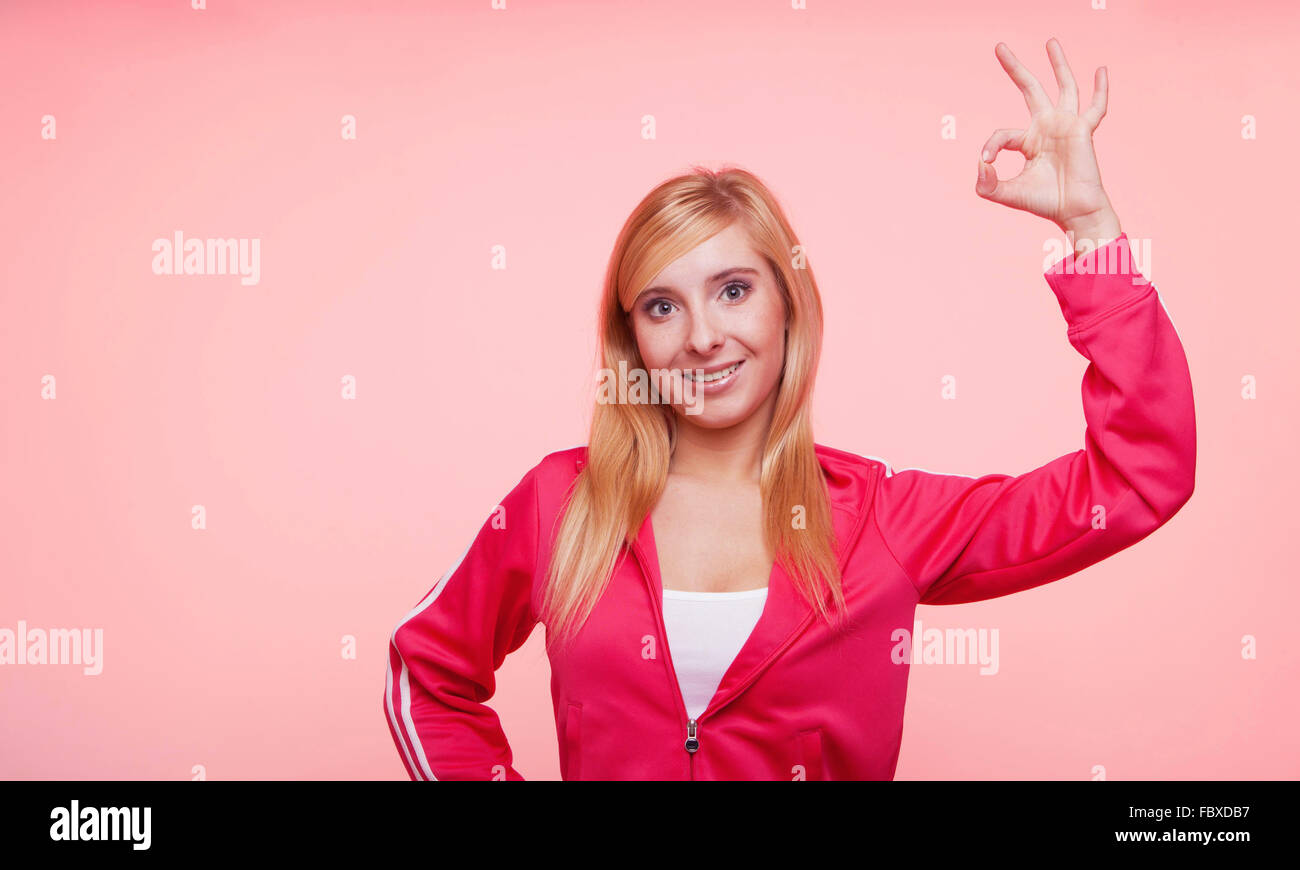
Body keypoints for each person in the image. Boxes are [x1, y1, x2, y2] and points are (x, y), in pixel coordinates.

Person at [384, 38, 1195, 780]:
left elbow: (1135, 481)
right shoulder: (559, 504)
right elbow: (428, 675)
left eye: (733, 291)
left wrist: (1091, 228)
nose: (703, 337)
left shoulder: (885, 518)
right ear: (632, 338)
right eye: (662, 307)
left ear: (786, 306)